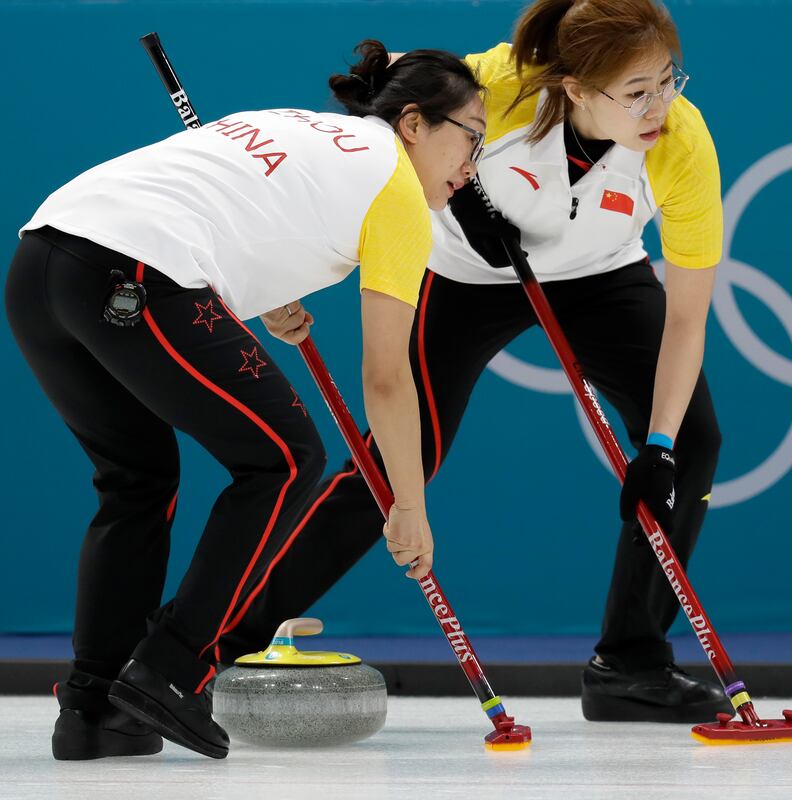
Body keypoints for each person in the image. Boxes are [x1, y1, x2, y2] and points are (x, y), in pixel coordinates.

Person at [226, 0, 727, 723]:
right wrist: (461, 208)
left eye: (667, 80)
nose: (661, 106)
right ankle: (220, 645)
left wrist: (657, 446)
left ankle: (630, 664)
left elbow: (686, 317)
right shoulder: (507, 83)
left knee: (691, 442)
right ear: (575, 87)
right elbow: (401, 80)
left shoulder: (682, 143)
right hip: (465, 275)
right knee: (397, 463)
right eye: (637, 91)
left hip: (603, 277)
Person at [5, 42, 484, 760]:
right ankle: (171, 671)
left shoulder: (297, 125)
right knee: (288, 459)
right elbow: (387, 378)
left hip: (42, 262)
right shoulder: (398, 194)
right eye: (472, 136)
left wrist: (258, 296)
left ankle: (96, 710)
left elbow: (235, 210)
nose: (473, 166)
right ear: (413, 123)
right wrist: (407, 506)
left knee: (136, 480)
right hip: (134, 271)